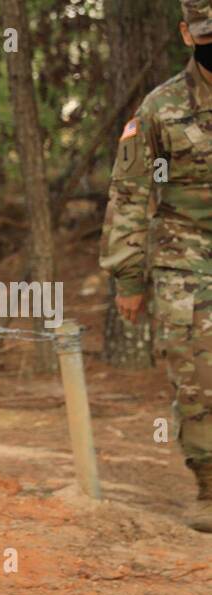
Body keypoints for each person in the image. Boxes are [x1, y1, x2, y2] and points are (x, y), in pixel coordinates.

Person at [101, 0, 212, 531]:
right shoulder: (160, 108)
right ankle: (211, 488)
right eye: (207, 37)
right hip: (184, 259)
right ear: (187, 34)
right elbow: (128, 193)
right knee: (197, 378)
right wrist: (128, 275)